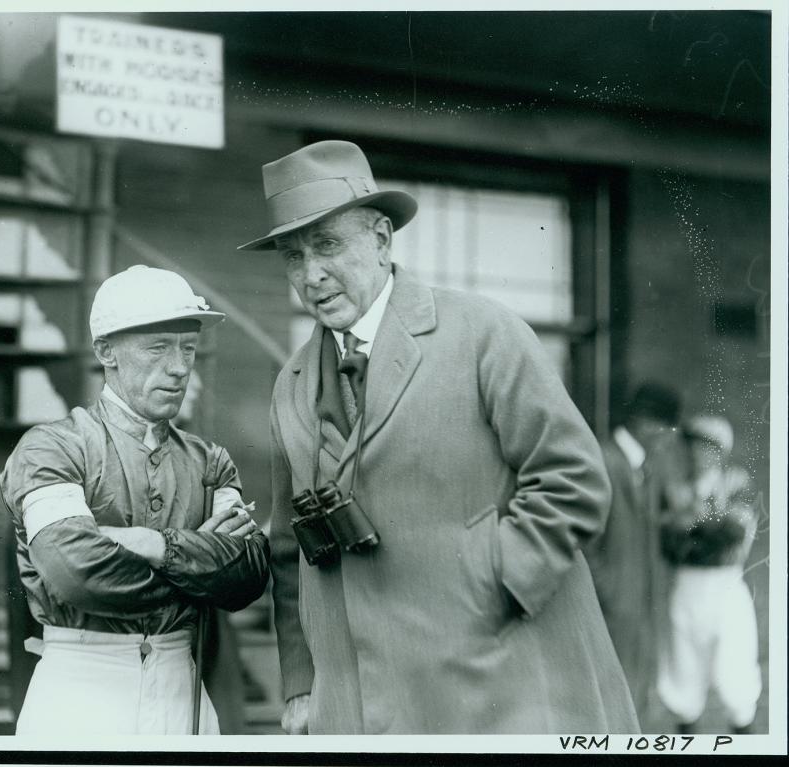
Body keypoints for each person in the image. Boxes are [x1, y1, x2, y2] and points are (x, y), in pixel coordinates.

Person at [240, 139, 638, 734]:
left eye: (327, 245)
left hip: (504, 680)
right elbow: (289, 545)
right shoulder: (290, 385)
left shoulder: (484, 333)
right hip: (362, 701)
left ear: (380, 238)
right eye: (292, 256)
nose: (311, 274)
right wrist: (300, 680)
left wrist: (490, 586)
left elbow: (573, 480)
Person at [0, 265, 270, 740]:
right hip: (81, 684)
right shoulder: (50, 449)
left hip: (182, 690)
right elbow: (76, 573)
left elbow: (246, 578)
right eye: (158, 347)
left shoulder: (210, 462)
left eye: (188, 348)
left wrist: (153, 544)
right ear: (106, 352)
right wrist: (197, 565)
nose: (180, 367)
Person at [584, 382, 682, 728]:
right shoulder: (603, 461)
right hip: (611, 613)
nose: (669, 440)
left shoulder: (646, 467)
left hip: (638, 612)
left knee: (632, 707)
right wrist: (609, 594)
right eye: (668, 430)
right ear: (645, 423)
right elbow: (584, 544)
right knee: (608, 709)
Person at [657, 414, 762, 734]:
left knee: (735, 677)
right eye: (694, 446)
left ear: (722, 451)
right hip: (688, 586)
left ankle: (749, 746)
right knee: (683, 675)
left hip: (725, 585)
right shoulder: (676, 488)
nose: (699, 454)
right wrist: (700, 526)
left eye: (709, 447)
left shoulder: (738, 482)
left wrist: (692, 524)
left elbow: (731, 535)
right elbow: (671, 545)